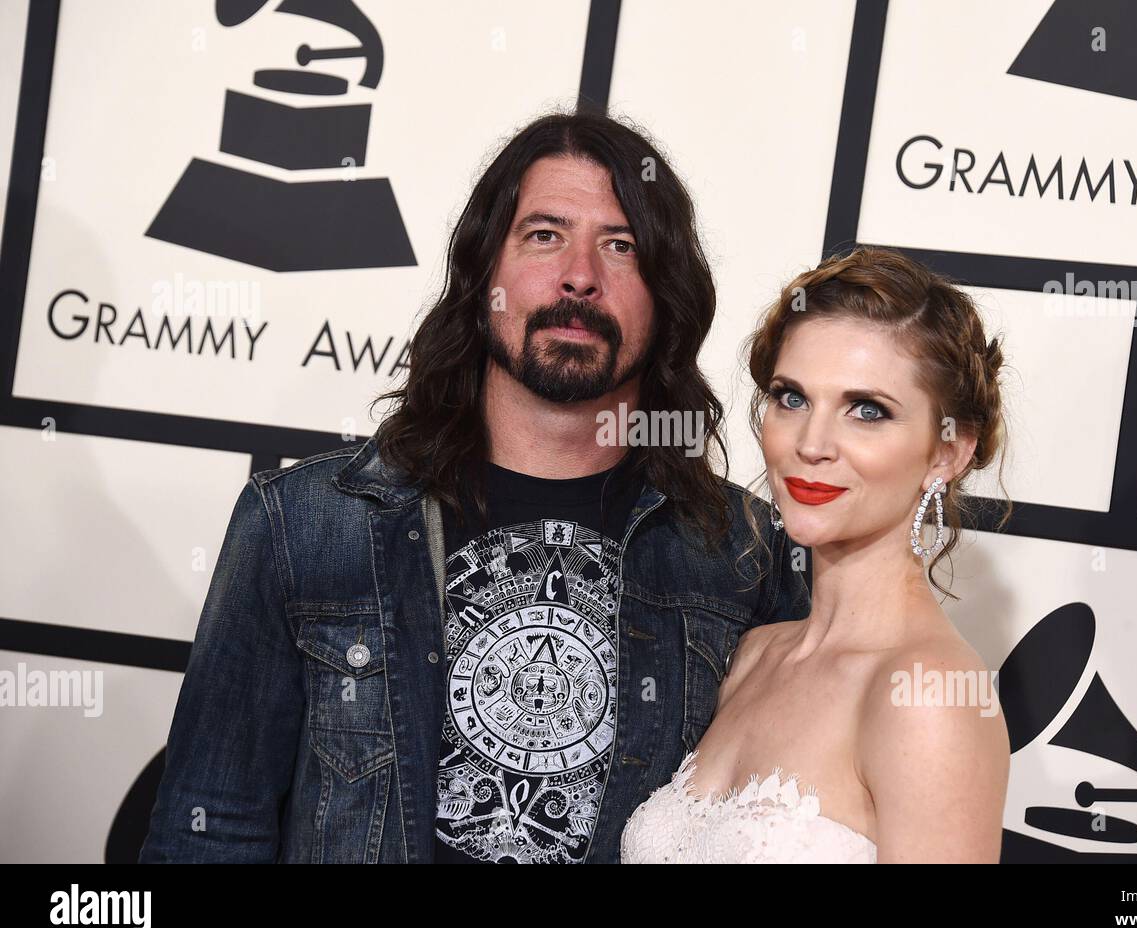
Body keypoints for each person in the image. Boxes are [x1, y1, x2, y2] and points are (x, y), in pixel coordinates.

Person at [137, 109, 810, 863]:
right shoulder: (306, 525)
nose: (580, 275)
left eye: (620, 247)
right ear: (484, 273)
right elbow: (210, 827)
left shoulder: (744, 557)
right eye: (544, 235)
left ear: (666, 299)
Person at [621, 246, 1012, 862]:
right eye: (792, 398)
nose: (811, 443)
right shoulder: (753, 655)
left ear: (947, 452)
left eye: (867, 410)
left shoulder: (930, 695)